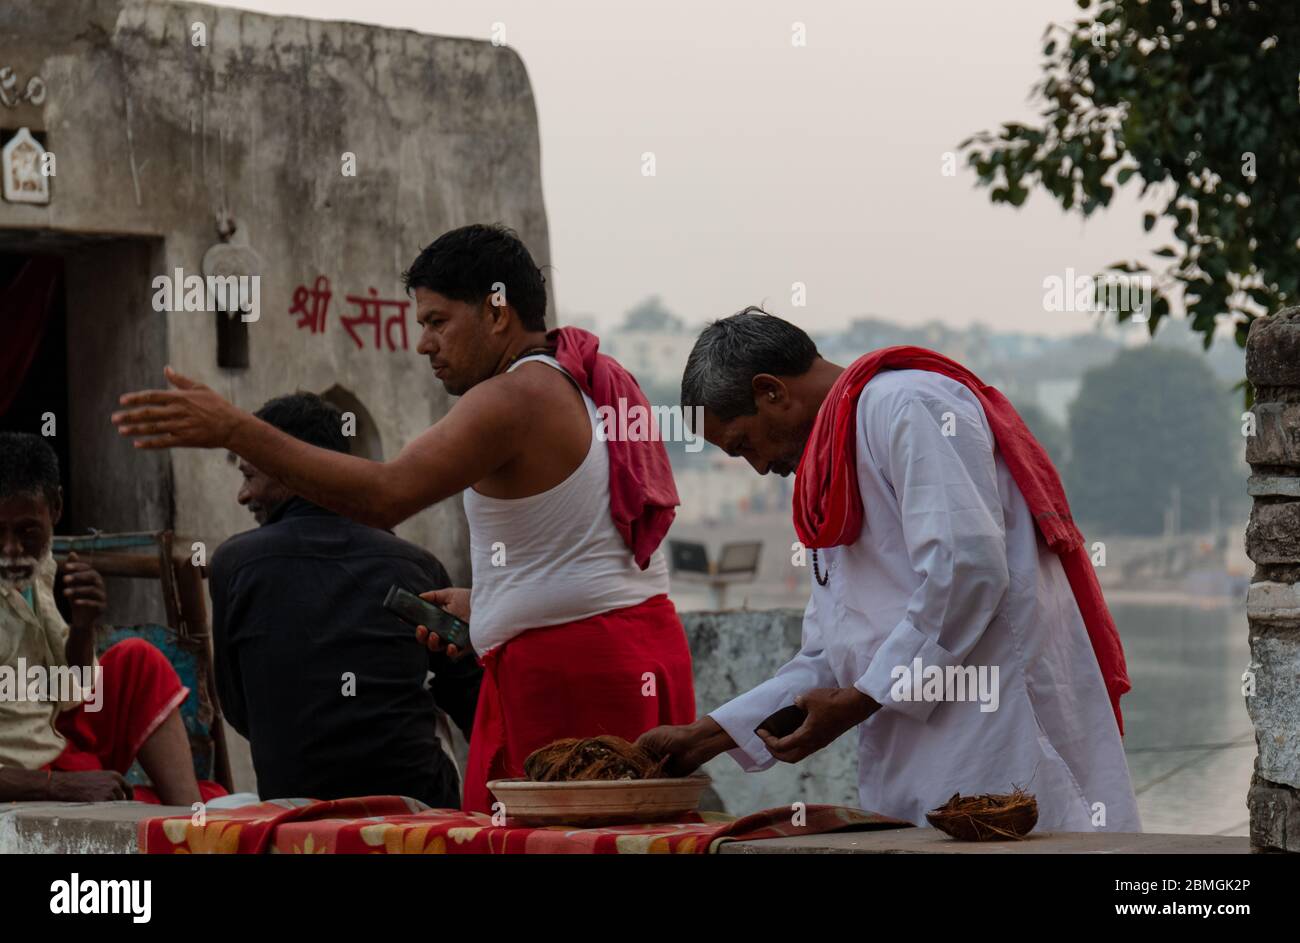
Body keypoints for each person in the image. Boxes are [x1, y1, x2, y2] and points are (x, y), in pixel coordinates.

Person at [113, 224, 695, 812]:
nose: (424, 344)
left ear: (497, 312)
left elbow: (387, 496)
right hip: (621, 657)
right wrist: (490, 600)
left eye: (437, 322)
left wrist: (233, 428)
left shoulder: (513, 397)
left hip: (576, 674)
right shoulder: (575, 379)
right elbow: (581, 549)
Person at [639, 309, 1140, 832]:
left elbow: (966, 570)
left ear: (771, 392)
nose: (759, 466)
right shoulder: (831, 462)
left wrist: (862, 699)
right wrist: (706, 737)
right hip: (918, 757)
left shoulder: (905, 404)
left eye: (744, 444)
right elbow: (831, 654)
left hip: (1002, 733)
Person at [209, 392, 480, 808]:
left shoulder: (234, 564)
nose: (243, 495)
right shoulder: (415, 566)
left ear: (291, 470)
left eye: (250, 475)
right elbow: (471, 703)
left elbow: (241, 711)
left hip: (294, 814)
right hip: (416, 812)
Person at [0, 432, 210, 805]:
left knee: (137, 661)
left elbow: (72, 685)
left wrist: (83, 626)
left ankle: (194, 827)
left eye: (27, 531)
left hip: (53, 744)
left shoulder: (40, 570)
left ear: (56, 509)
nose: (11, 550)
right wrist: (56, 787)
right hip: (21, 777)